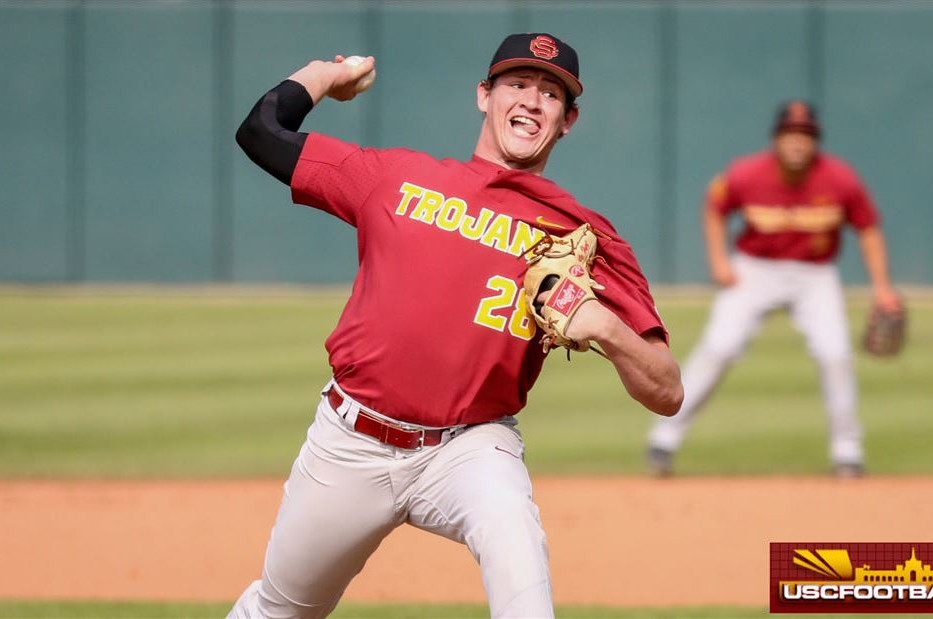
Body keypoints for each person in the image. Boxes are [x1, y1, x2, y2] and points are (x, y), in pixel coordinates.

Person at [227, 33, 683, 619]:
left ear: (568, 120)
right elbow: (261, 134)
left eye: (551, 94)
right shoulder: (392, 179)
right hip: (350, 442)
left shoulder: (584, 237)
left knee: (526, 600)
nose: (532, 101)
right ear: (483, 96)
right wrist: (322, 75)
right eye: (518, 84)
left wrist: (608, 330)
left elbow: (667, 390)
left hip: (471, 449)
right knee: (280, 609)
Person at [645, 100, 900, 479]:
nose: (798, 143)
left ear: (816, 142)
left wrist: (883, 288)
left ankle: (848, 451)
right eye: (790, 135)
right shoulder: (747, 174)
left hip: (815, 276)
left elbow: (868, 227)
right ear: (777, 139)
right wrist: (719, 260)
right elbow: (715, 205)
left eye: (806, 136)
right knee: (719, 347)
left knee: (836, 354)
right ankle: (664, 439)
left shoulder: (840, 179)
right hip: (755, 270)